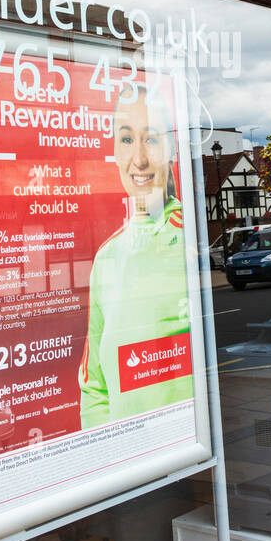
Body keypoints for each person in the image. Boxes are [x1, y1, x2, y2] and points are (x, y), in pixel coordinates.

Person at [79, 84, 193, 428]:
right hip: (127, 464)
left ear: (171, 149)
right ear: (114, 150)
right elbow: (94, 386)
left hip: (186, 456)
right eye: (127, 139)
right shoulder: (107, 257)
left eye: (152, 139)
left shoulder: (189, 241)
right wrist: (109, 456)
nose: (139, 159)